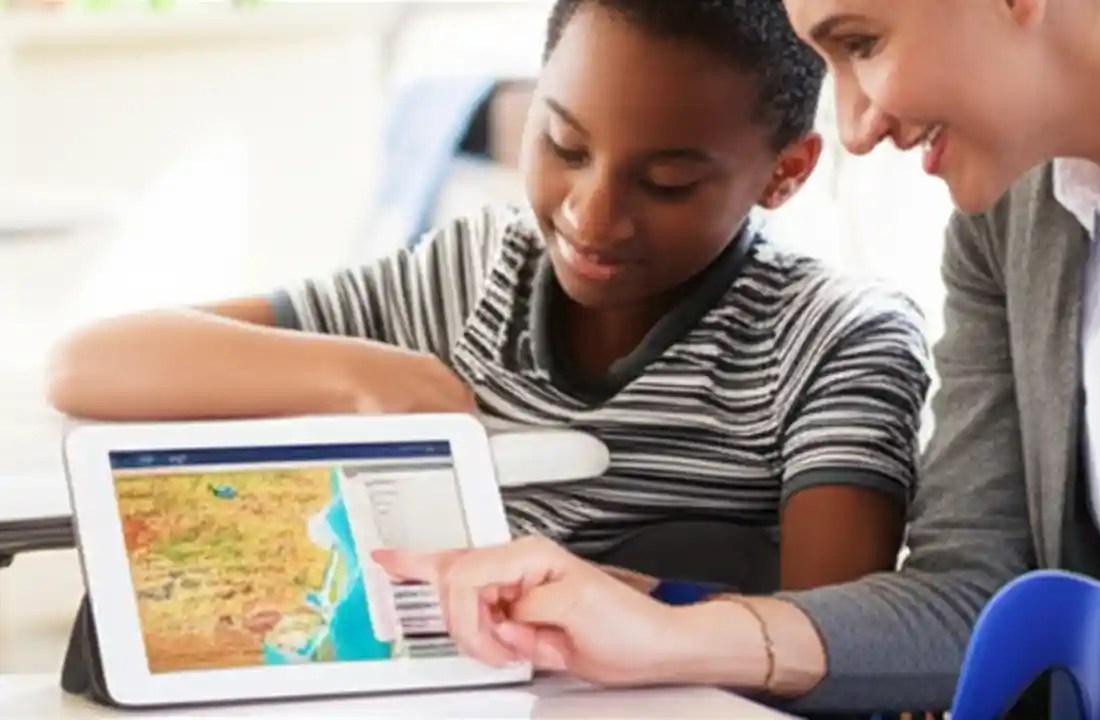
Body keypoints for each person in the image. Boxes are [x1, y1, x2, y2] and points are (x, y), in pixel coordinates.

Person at [372, 0, 1100, 715]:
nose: (854, 127)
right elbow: (968, 598)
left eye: (864, 43)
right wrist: (660, 632)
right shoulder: (1005, 228)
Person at [46, 0, 930, 593]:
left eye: (664, 183)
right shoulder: (474, 275)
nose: (592, 215)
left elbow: (833, 645)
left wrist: (601, 605)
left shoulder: (838, 342)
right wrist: (363, 378)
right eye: (564, 145)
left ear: (785, 173)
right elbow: (91, 364)